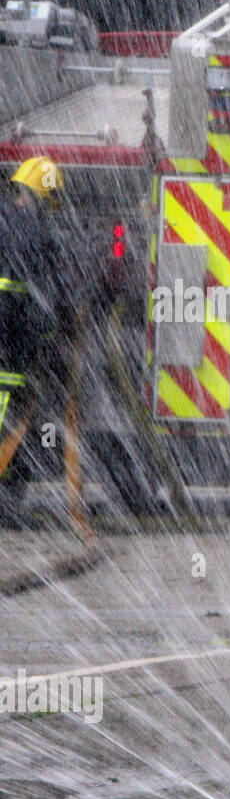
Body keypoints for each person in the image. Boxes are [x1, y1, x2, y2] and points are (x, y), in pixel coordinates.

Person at [0, 155, 70, 526]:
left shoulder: (4, 220)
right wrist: (51, 335)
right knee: (13, 419)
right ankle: (5, 501)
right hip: (10, 343)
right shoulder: (37, 236)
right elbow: (44, 300)